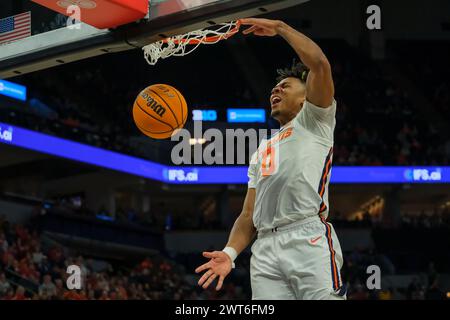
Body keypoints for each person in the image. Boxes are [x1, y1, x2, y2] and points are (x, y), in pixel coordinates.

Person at [195, 18, 345, 300]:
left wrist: (280, 28)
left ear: (306, 97)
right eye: (274, 89)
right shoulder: (261, 149)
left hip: (307, 238)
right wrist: (229, 253)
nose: (275, 90)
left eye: (285, 86)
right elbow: (249, 215)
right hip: (264, 249)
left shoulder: (315, 121)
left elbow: (320, 64)